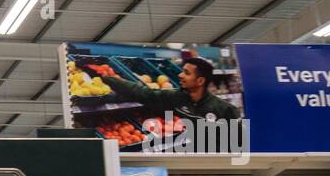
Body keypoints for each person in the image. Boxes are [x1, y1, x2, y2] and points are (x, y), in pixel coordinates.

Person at [98, 57, 240, 147]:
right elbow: (143, 93)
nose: (180, 75)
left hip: (216, 163)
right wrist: (108, 78)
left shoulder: (225, 110)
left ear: (200, 81)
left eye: (187, 73)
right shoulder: (176, 97)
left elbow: (238, 145)